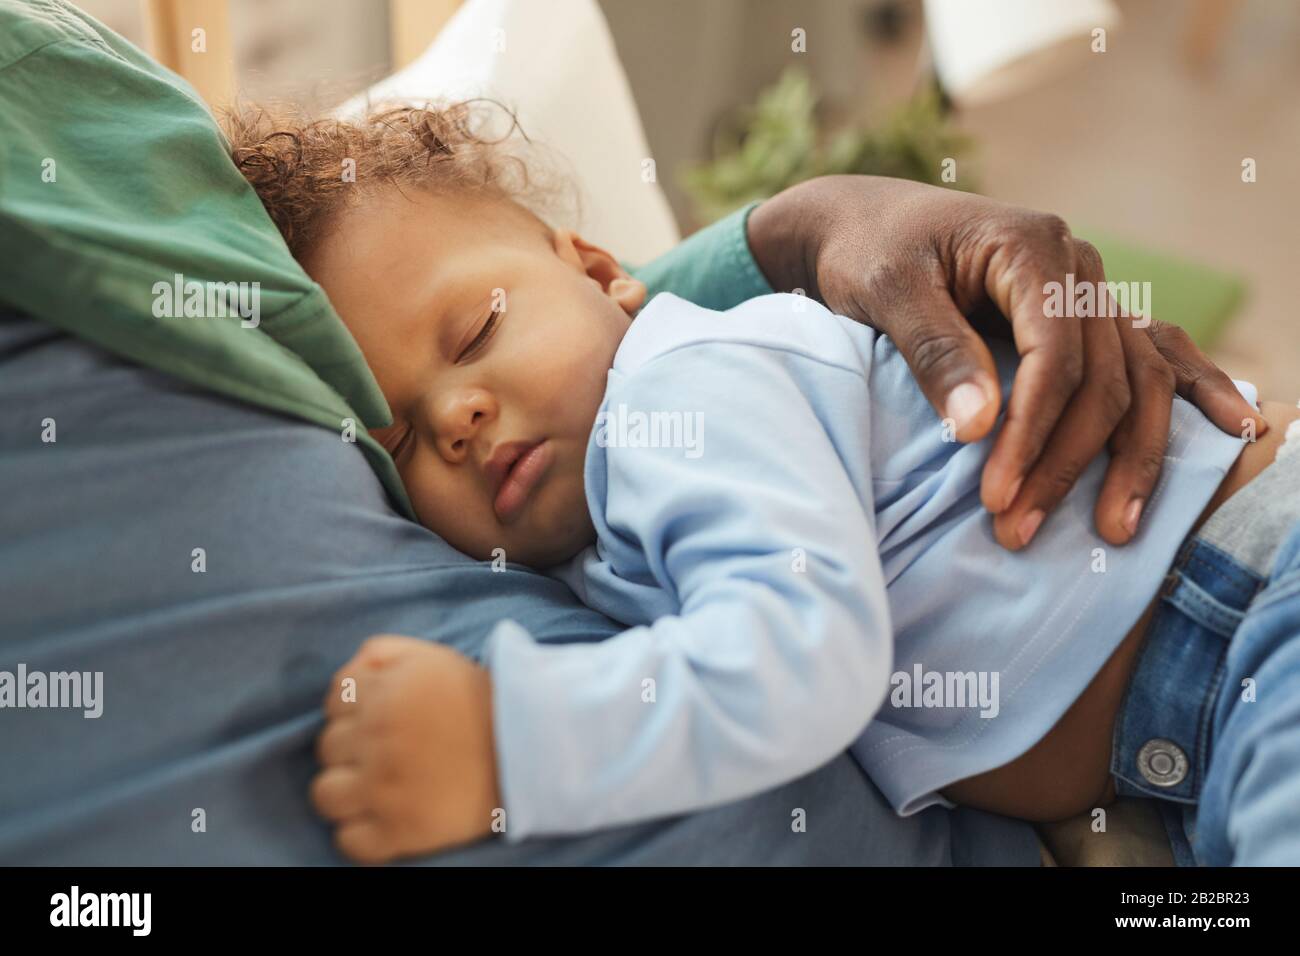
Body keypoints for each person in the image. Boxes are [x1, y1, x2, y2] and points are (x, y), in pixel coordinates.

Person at [225, 105, 1297, 866]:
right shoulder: (596, 540)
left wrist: (509, 739)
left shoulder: (672, 393)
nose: (457, 416)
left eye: (476, 331)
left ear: (601, 272)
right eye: (403, 436)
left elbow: (803, 653)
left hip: (1246, 608)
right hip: (1180, 741)